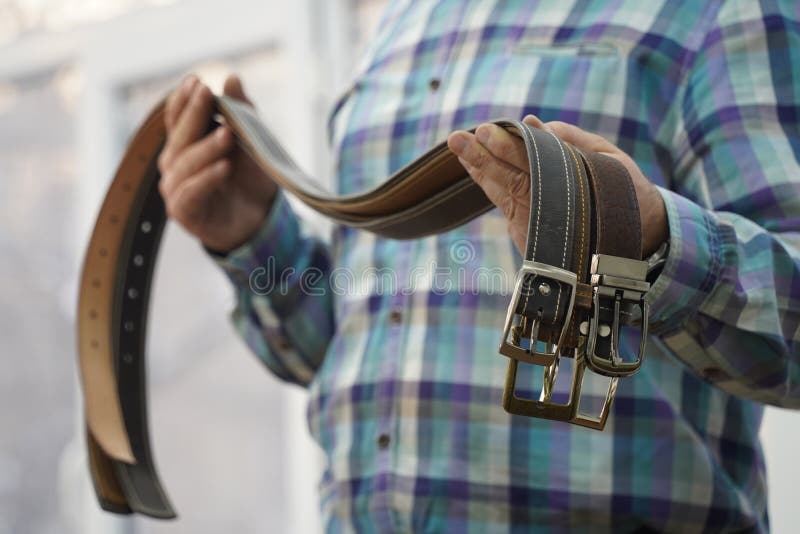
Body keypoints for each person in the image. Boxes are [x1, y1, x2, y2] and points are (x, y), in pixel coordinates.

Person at [156, 1, 800, 531]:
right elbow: (349, 357)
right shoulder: (397, 26)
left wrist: (657, 243)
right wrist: (251, 238)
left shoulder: (720, 13)